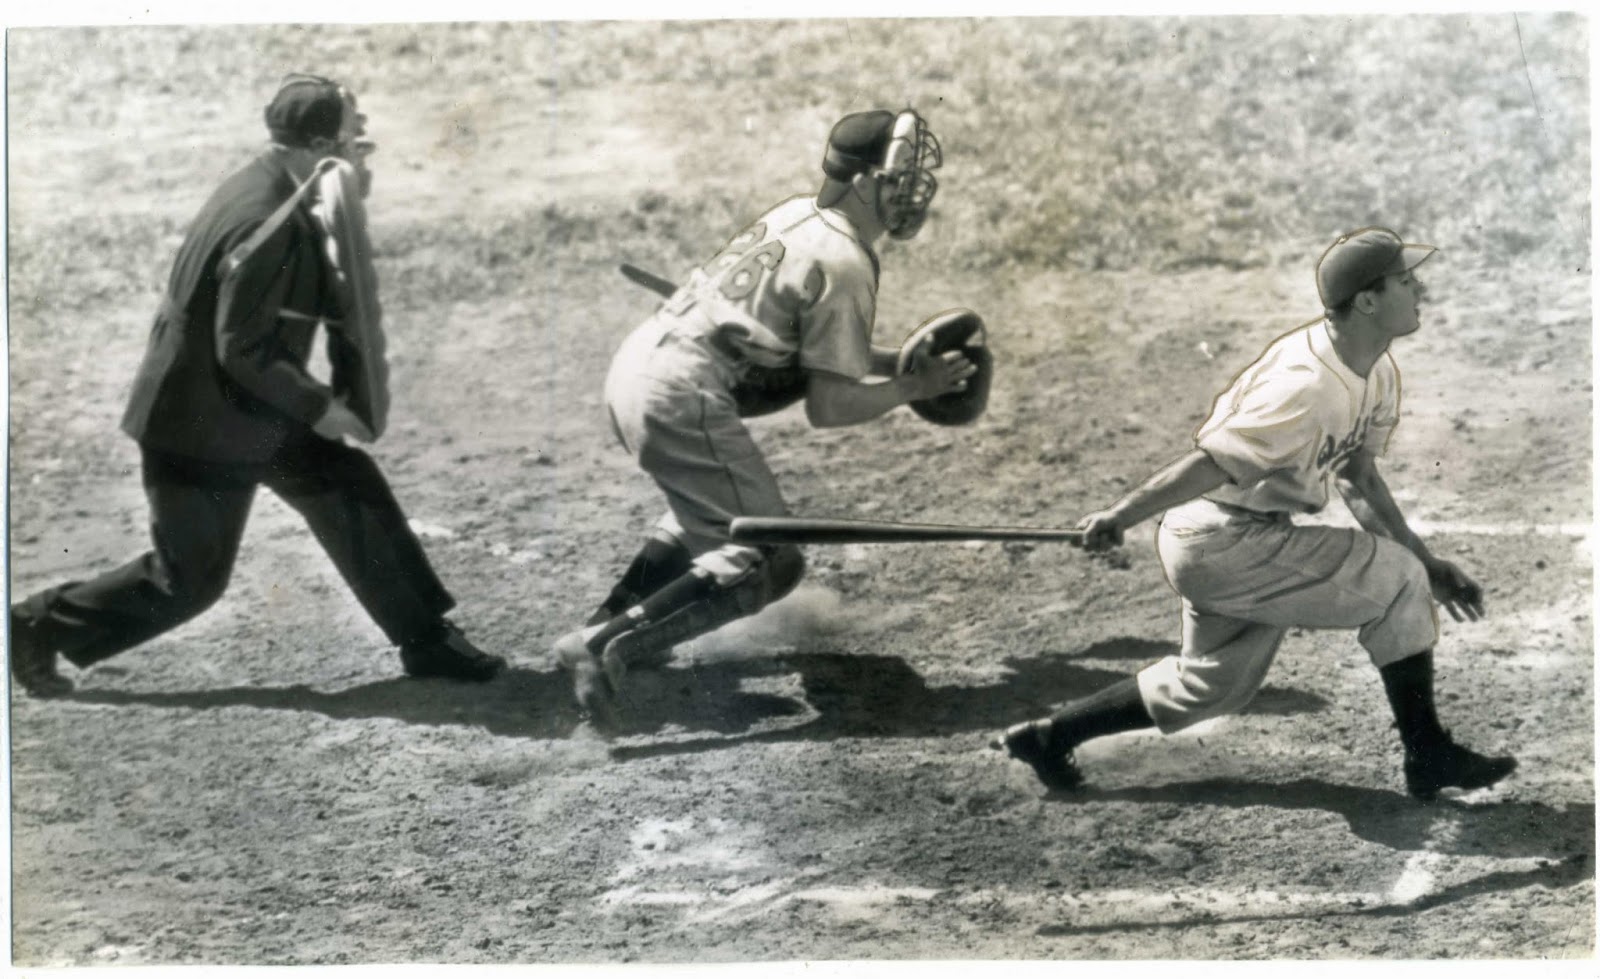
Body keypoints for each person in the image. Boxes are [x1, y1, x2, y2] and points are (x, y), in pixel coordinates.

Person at [9, 74, 505, 698]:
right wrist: (321, 407)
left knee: (346, 485)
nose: (361, 147)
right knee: (187, 583)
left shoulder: (273, 183)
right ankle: (32, 624)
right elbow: (240, 348)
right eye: (355, 136)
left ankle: (426, 640)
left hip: (243, 410)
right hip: (197, 427)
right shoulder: (268, 221)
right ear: (319, 143)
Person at [995, 227, 1517, 802]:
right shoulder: (1306, 386)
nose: (1420, 288)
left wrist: (1428, 560)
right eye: (1405, 280)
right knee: (1394, 580)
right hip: (1222, 539)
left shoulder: (1378, 369)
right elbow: (1210, 463)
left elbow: (1357, 476)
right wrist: (1123, 513)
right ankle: (1428, 752)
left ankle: (1050, 736)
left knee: (1209, 685)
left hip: (1236, 538)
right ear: (1367, 300)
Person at [554, 108, 975, 718]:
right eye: (898, 177)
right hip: (681, 392)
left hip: (639, 367)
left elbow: (804, 352)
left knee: (708, 518)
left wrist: (898, 366)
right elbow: (829, 406)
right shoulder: (848, 263)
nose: (910, 191)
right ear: (863, 181)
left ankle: (604, 625)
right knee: (771, 557)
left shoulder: (795, 213)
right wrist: (913, 390)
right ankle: (599, 645)